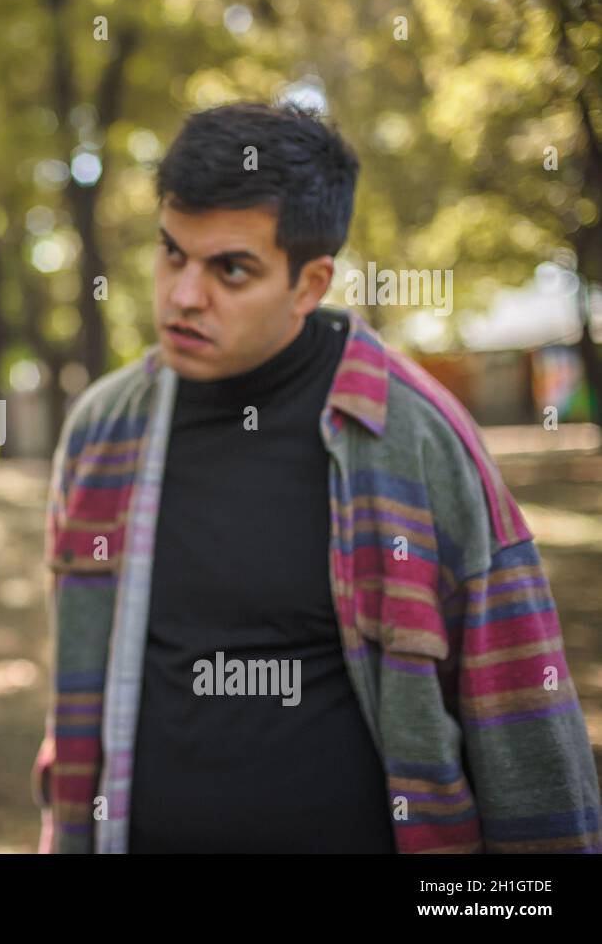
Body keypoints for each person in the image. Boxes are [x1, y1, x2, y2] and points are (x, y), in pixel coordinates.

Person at [32, 102, 601, 854]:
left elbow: (526, 728)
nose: (182, 294)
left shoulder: (414, 437)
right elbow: (77, 705)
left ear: (310, 283)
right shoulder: (105, 430)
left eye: (230, 269)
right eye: (172, 252)